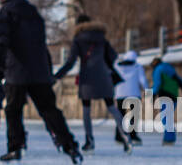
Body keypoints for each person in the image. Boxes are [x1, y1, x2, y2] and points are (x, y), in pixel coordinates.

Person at [0, 0, 80, 165]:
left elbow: (1, 42)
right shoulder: (33, 13)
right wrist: (47, 71)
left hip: (16, 71)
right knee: (49, 109)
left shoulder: (6, 13)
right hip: (39, 72)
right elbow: (41, 45)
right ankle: (69, 145)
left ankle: (15, 146)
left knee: (13, 110)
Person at [53, 13, 129, 153]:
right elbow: (113, 56)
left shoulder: (78, 39)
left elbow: (70, 62)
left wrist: (57, 76)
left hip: (87, 78)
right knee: (112, 107)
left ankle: (90, 141)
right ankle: (125, 135)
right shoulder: (102, 38)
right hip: (104, 77)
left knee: (87, 111)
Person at [149, 55, 182, 145]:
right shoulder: (170, 69)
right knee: (168, 118)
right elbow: (180, 81)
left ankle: (169, 139)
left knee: (165, 118)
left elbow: (157, 83)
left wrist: (152, 95)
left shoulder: (158, 69)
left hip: (165, 95)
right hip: (174, 96)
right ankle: (169, 137)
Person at [113, 50, 146, 145]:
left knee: (120, 116)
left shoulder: (117, 66)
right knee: (133, 116)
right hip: (134, 94)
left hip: (120, 94)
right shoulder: (137, 67)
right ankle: (133, 136)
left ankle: (119, 137)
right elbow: (142, 80)